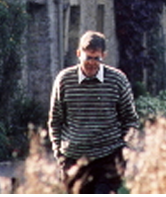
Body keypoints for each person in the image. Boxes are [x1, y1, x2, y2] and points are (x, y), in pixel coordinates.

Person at [48, 30, 139, 193]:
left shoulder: (117, 80)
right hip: (73, 158)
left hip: (108, 157)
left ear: (104, 55)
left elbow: (130, 120)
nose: (92, 63)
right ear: (78, 54)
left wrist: (125, 152)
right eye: (87, 58)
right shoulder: (64, 80)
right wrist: (58, 153)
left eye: (96, 58)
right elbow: (55, 120)